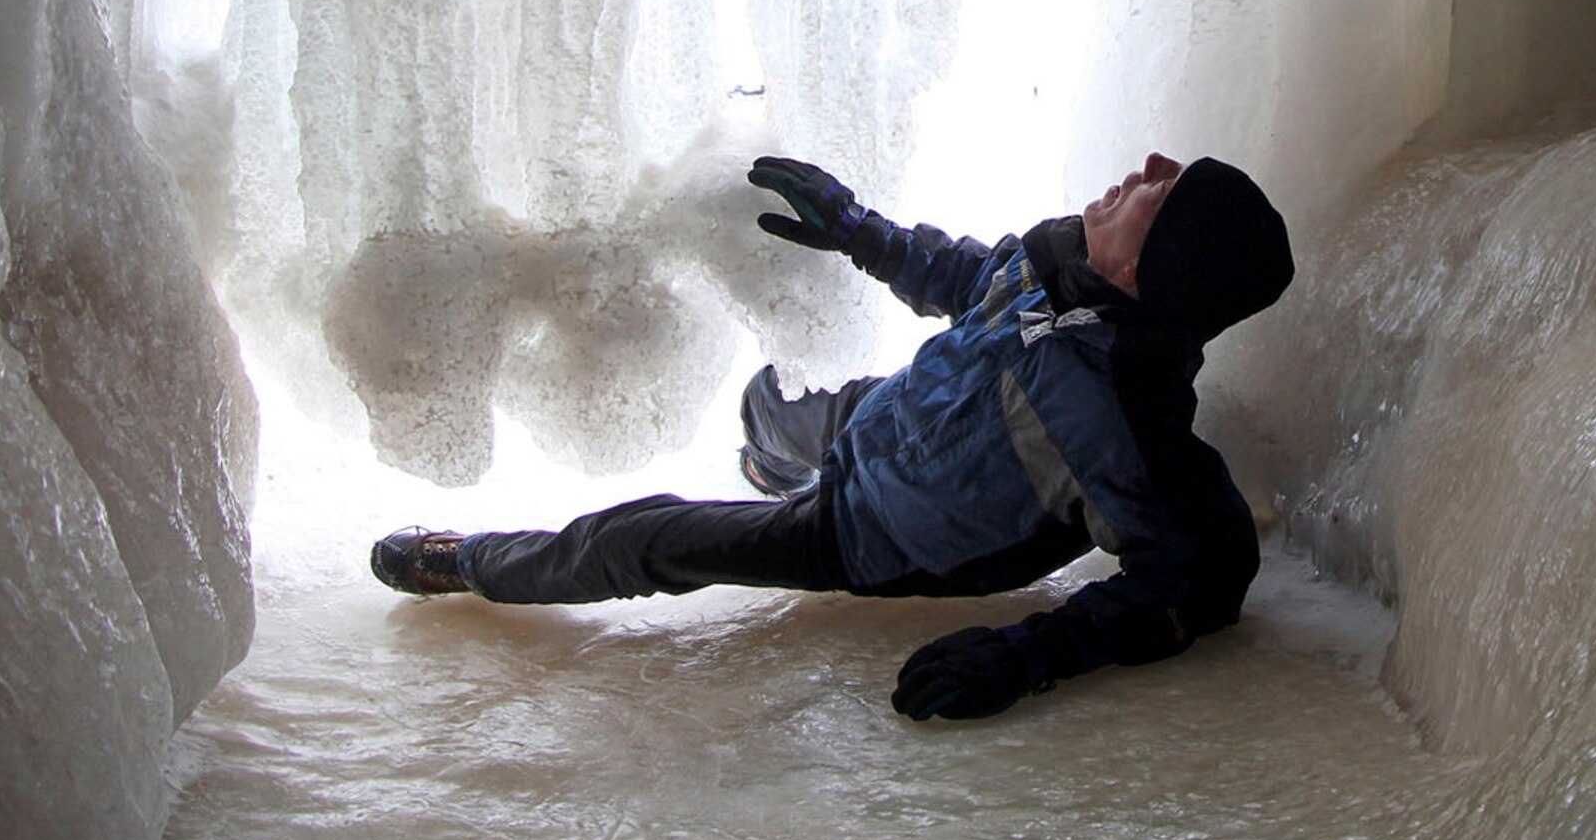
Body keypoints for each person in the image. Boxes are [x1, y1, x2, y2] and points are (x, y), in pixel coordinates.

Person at [369, 151, 1295, 722]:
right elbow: (968, 276)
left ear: (1143, 270)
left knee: (654, 537)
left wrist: (1029, 654)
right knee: (770, 399)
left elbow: (1193, 577)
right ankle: (774, 463)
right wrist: (863, 232)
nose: (1147, 165)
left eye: (1161, 192)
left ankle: (475, 562)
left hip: (880, 533)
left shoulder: (1118, 420)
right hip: (886, 419)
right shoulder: (1055, 264)